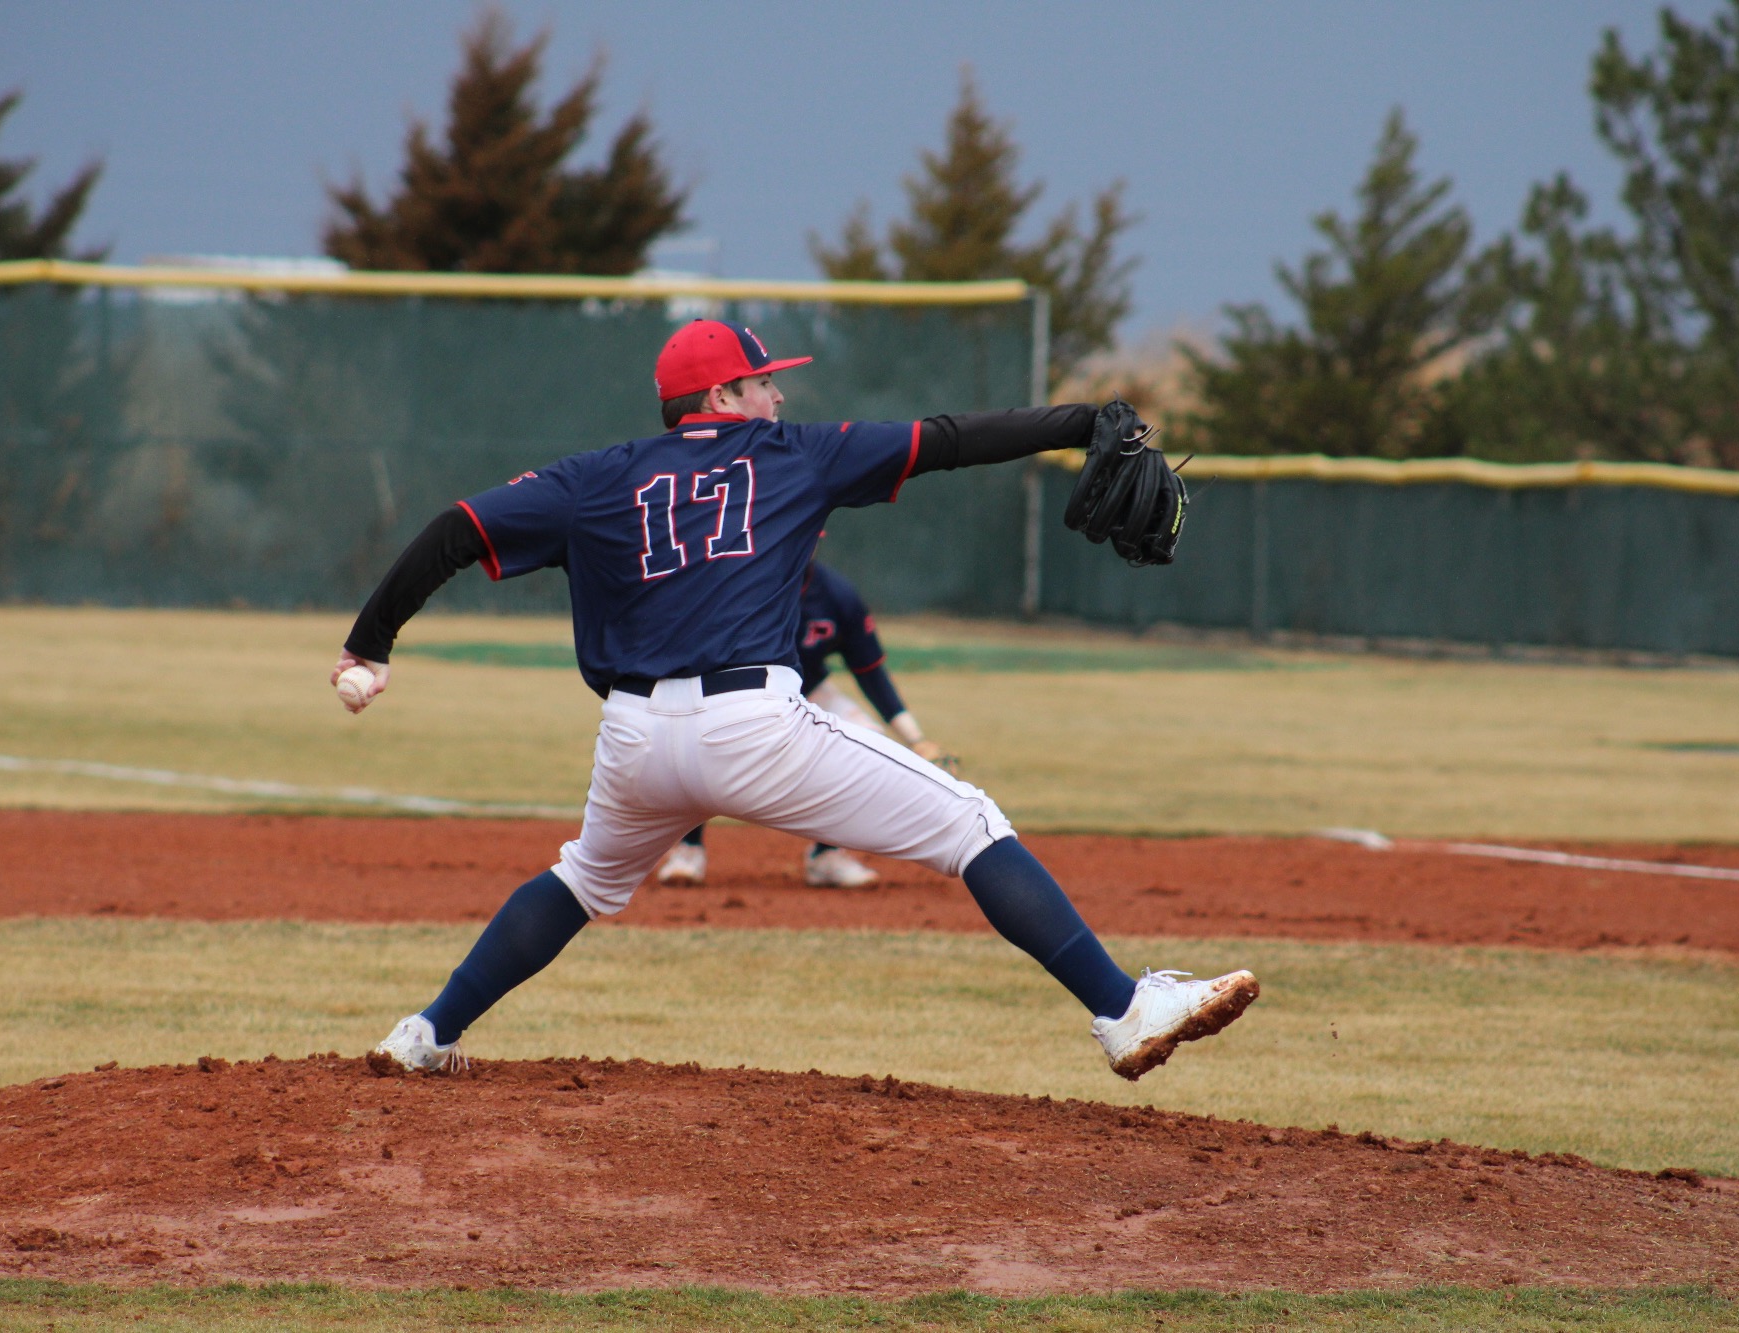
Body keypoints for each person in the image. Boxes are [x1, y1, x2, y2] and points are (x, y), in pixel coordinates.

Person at [334, 317, 1258, 1082]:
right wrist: (1078, 420)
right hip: (752, 725)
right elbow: (947, 439)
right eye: (763, 381)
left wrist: (369, 645)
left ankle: (426, 1032)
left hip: (634, 741)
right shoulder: (792, 455)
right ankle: (1125, 1010)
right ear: (722, 399)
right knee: (971, 823)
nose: (778, 395)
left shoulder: (597, 477)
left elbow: (454, 529)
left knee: (584, 880)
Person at [656, 557, 954, 890]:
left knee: (865, 737)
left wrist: (915, 738)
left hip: (804, 690)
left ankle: (826, 855)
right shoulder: (737, 581)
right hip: (733, 691)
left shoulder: (836, 596)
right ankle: (688, 849)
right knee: (702, 739)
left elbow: (870, 672)